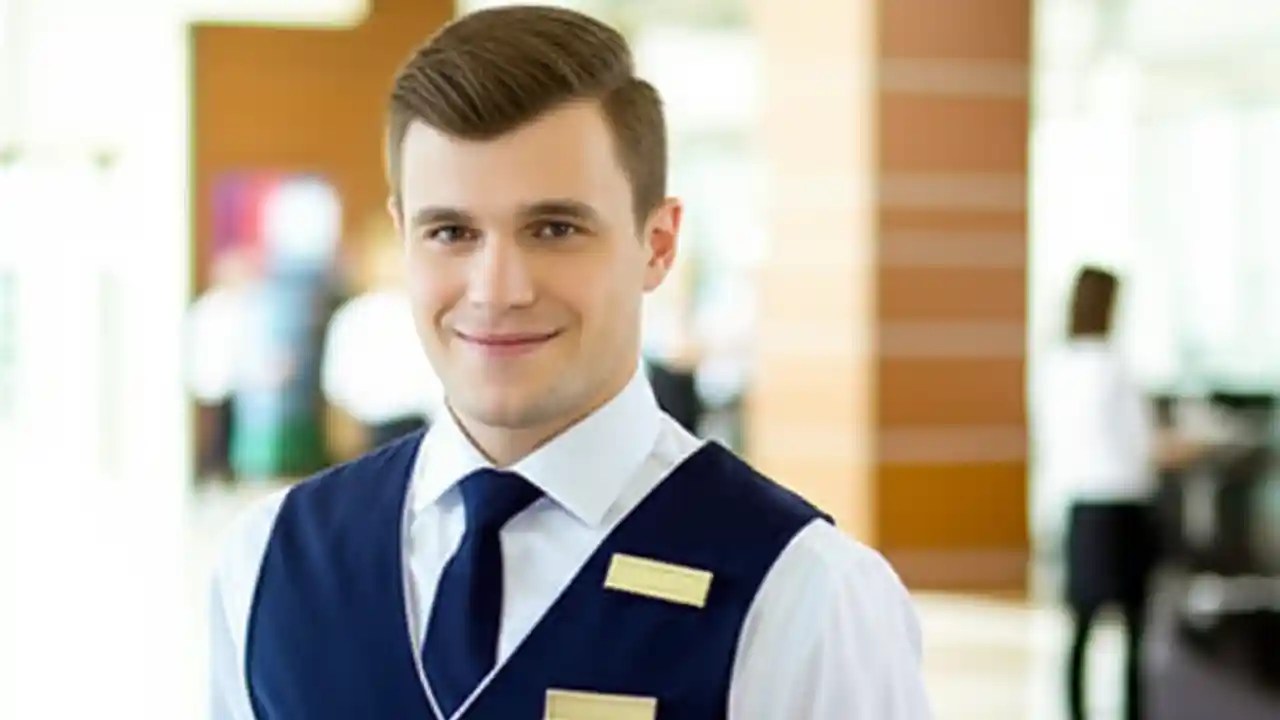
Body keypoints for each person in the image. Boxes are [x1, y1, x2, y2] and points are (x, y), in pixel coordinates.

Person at [210, 6, 930, 719]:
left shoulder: (802, 594)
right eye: (452, 231)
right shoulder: (270, 562)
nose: (498, 291)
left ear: (658, 244)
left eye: (554, 229)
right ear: (403, 240)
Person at [1035, 266, 1198, 720]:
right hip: (1123, 508)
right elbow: (1146, 447)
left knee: (1082, 628)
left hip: (1080, 508)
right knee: (1133, 628)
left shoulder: (1056, 368)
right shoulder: (1115, 369)